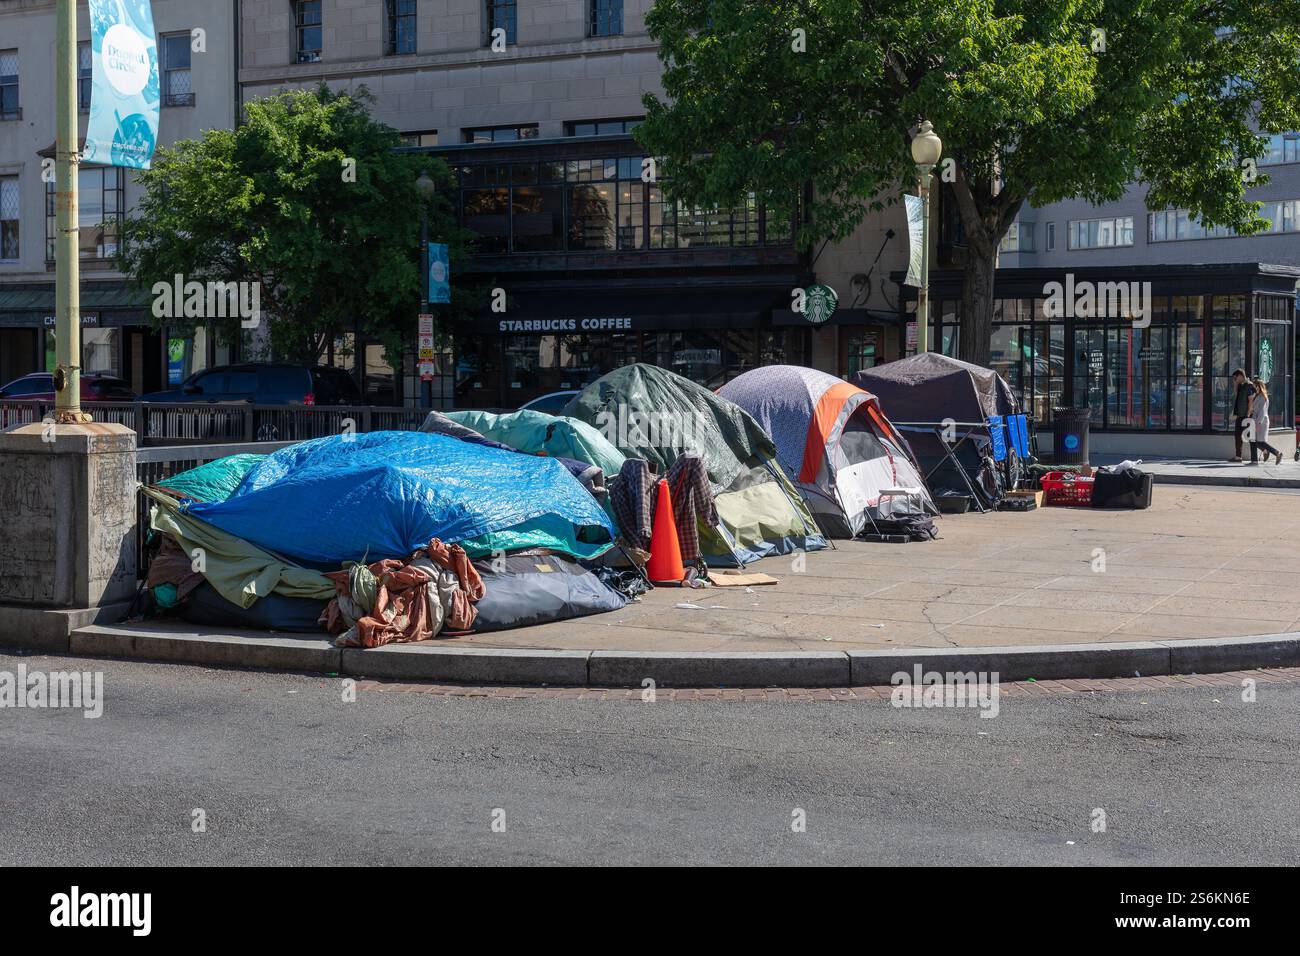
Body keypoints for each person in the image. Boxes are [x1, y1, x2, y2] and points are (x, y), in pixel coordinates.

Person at [1248, 377, 1283, 465]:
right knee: (1252, 439)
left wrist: (1258, 424)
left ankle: (1277, 453)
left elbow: (1262, 412)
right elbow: (1255, 409)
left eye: (1256, 386)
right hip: (1255, 420)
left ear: (1260, 386)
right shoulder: (1257, 396)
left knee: (1260, 441)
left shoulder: (1263, 397)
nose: (1255, 388)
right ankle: (1255, 459)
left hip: (1261, 421)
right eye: (1254, 386)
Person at [1229, 368, 1255, 462]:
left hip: (1246, 415)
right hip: (1239, 415)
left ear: (1240, 375)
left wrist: (1248, 413)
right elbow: (1236, 395)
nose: (1235, 379)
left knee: (1250, 436)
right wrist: (1235, 385)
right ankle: (1238, 456)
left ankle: (1264, 450)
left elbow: (1251, 400)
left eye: (1236, 377)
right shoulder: (1241, 385)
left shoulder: (1249, 385)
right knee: (1237, 435)